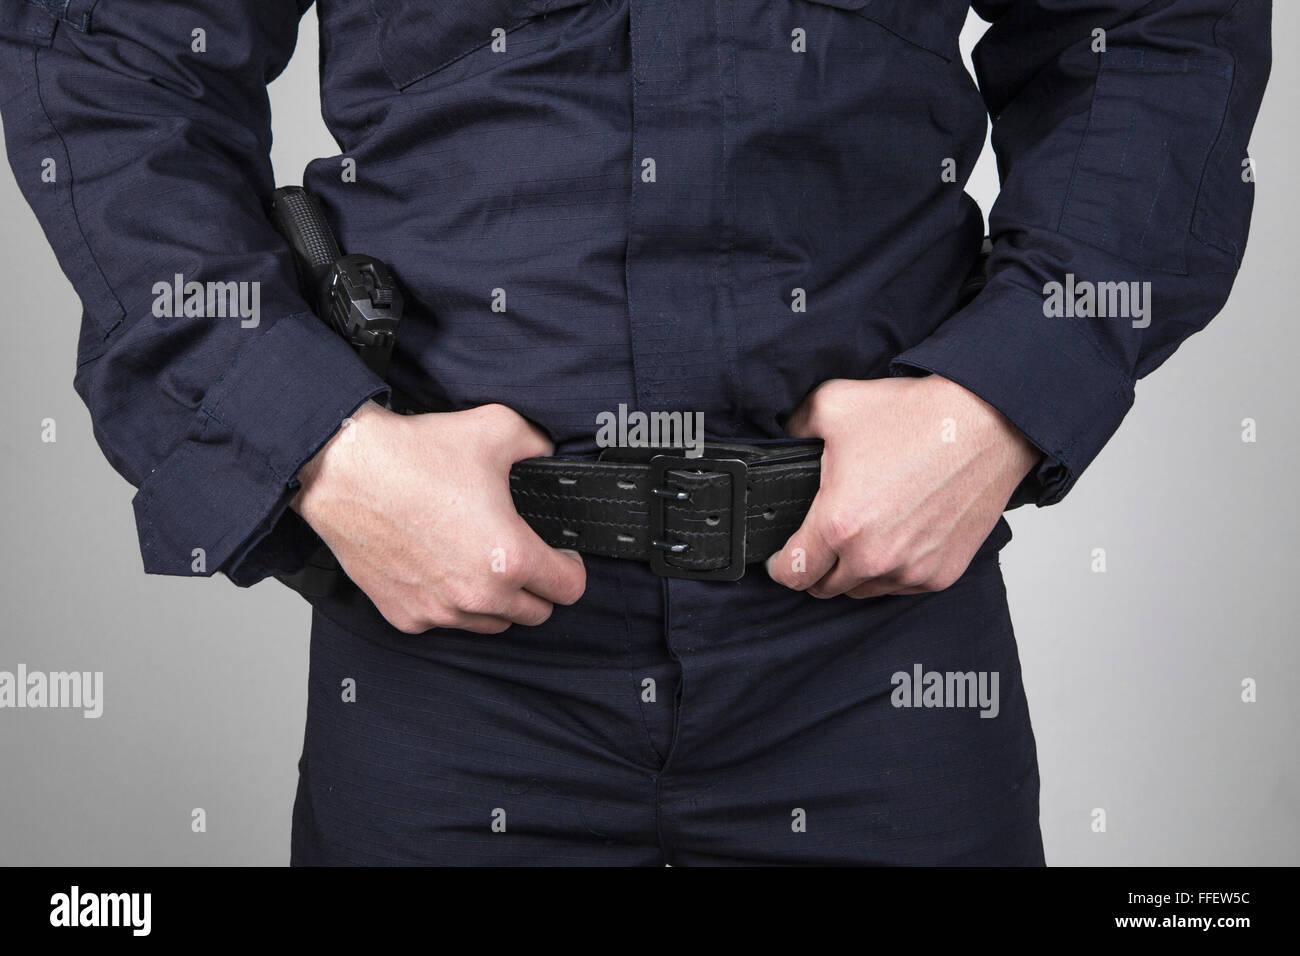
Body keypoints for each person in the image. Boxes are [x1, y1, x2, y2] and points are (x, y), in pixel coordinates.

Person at [0, 0, 1270, 865]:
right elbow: (108, 51)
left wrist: (998, 400)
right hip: (450, 651)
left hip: (876, 642)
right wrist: (317, 445)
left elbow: (1160, 28)